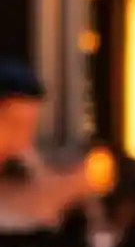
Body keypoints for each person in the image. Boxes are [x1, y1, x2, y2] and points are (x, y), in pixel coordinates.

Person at [0, 60, 94, 224]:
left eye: (29, 127)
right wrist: (76, 184)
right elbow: (14, 213)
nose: (22, 139)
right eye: (14, 125)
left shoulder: (23, 157)